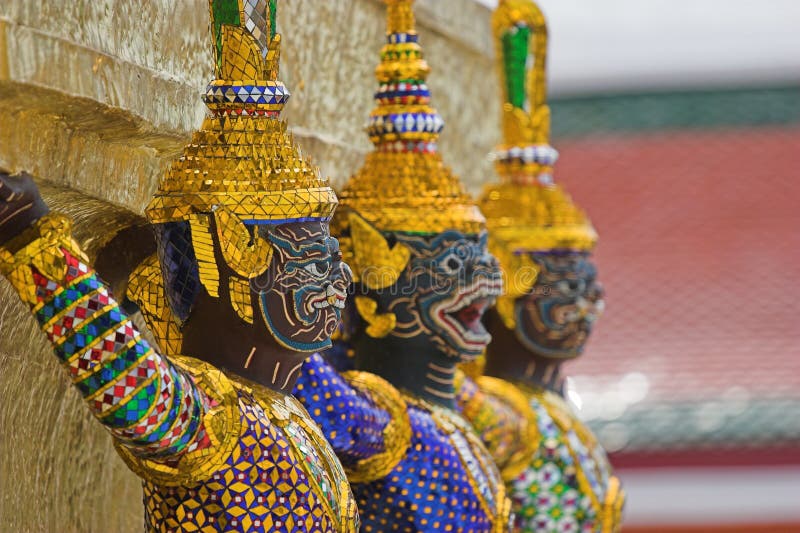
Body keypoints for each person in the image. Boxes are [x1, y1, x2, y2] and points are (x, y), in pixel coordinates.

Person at [0, 1, 361, 530]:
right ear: (232, 264)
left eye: (335, 263)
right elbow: (130, 387)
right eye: (310, 264)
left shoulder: (288, 410)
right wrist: (34, 240)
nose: (342, 280)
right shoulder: (218, 417)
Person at [291, 1, 514, 531]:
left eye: (481, 257)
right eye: (453, 263)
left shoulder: (460, 412)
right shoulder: (378, 423)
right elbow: (295, 368)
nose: (488, 277)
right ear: (376, 283)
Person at [458, 1, 626, 531]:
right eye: (562, 290)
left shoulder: (556, 409)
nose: (587, 306)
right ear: (503, 293)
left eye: (589, 288)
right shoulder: (499, 415)